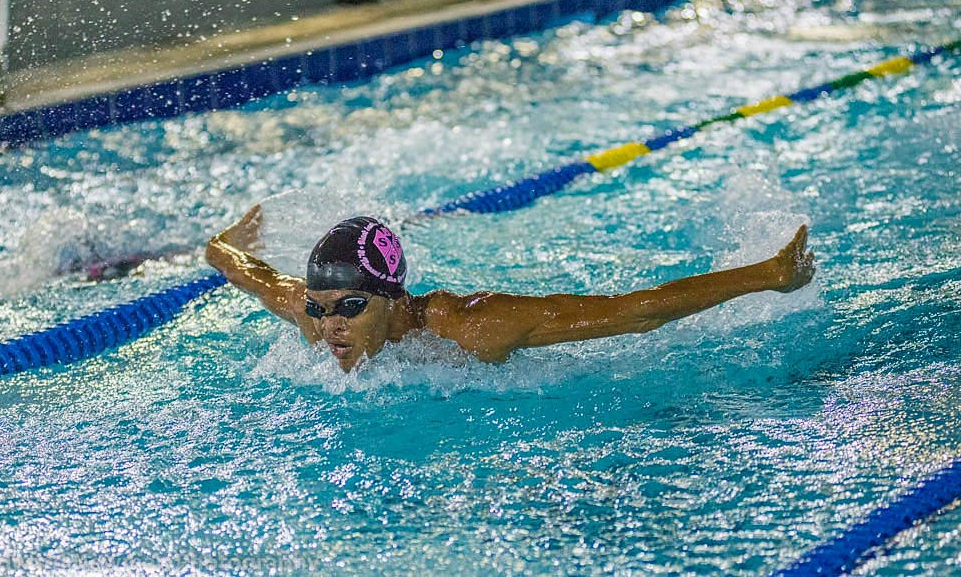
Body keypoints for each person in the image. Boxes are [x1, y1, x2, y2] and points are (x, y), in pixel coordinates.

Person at [206, 205, 815, 372]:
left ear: (392, 300)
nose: (330, 326)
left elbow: (634, 312)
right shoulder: (313, 315)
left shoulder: (473, 326)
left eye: (351, 307)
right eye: (320, 309)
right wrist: (225, 243)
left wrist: (767, 275)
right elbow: (241, 269)